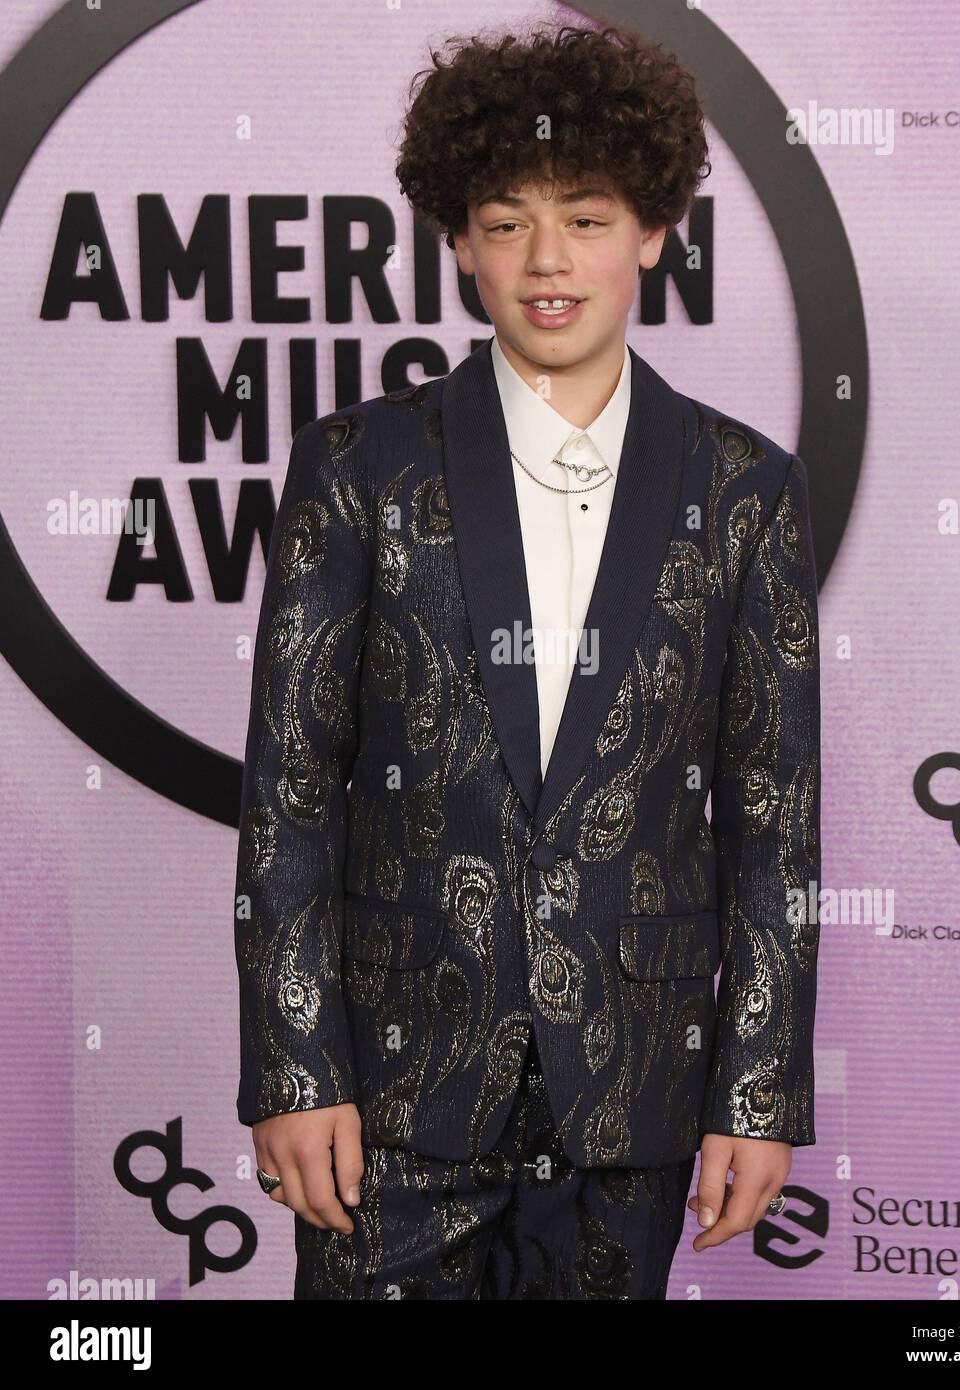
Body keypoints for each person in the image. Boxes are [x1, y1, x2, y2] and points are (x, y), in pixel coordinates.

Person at [233, 20, 821, 1300]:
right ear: (455, 238)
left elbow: (771, 825)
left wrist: (759, 1090)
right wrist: (293, 1068)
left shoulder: (744, 492)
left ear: (656, 228)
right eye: (504, 222)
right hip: (386, 1100)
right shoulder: (360, 467)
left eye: (589, 218)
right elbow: (287, 799)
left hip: (636, 1097)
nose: (546, 263)